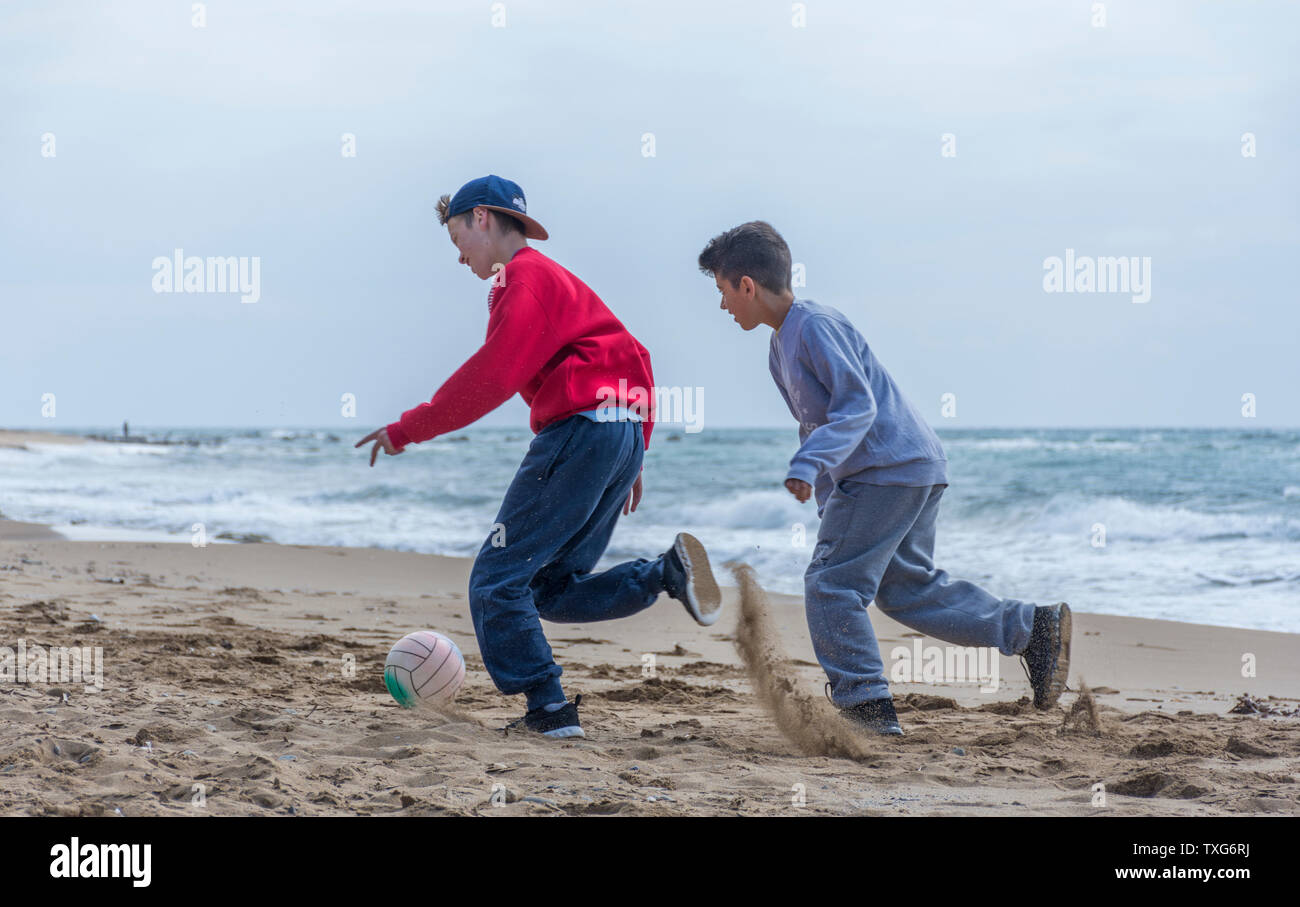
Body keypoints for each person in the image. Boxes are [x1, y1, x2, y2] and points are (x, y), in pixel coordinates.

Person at [357, 175, 721, 739]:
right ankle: (665, 574)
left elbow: (492, 376)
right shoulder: (555, 281)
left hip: (579, 434)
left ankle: (549, 710)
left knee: (495, 581)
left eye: (458, 240)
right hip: (614, 434)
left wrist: (406, 429)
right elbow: (637, 356)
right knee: (549, 589)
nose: (459, 258)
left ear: (482, 218)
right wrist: (635, 449)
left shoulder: (522, 278)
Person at [695, 220, 1070, 736]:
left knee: (830, 584)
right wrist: (827, 494)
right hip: (904, 467)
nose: (722, 306)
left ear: (747, 285)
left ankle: (866, 709)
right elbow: (816, 423)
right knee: (905, 589)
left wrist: (807, 466)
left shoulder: (814, 324)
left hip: (887, 470)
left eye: (721, 291)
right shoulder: (780, 345)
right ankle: (1032, 629)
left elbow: (856, 407)